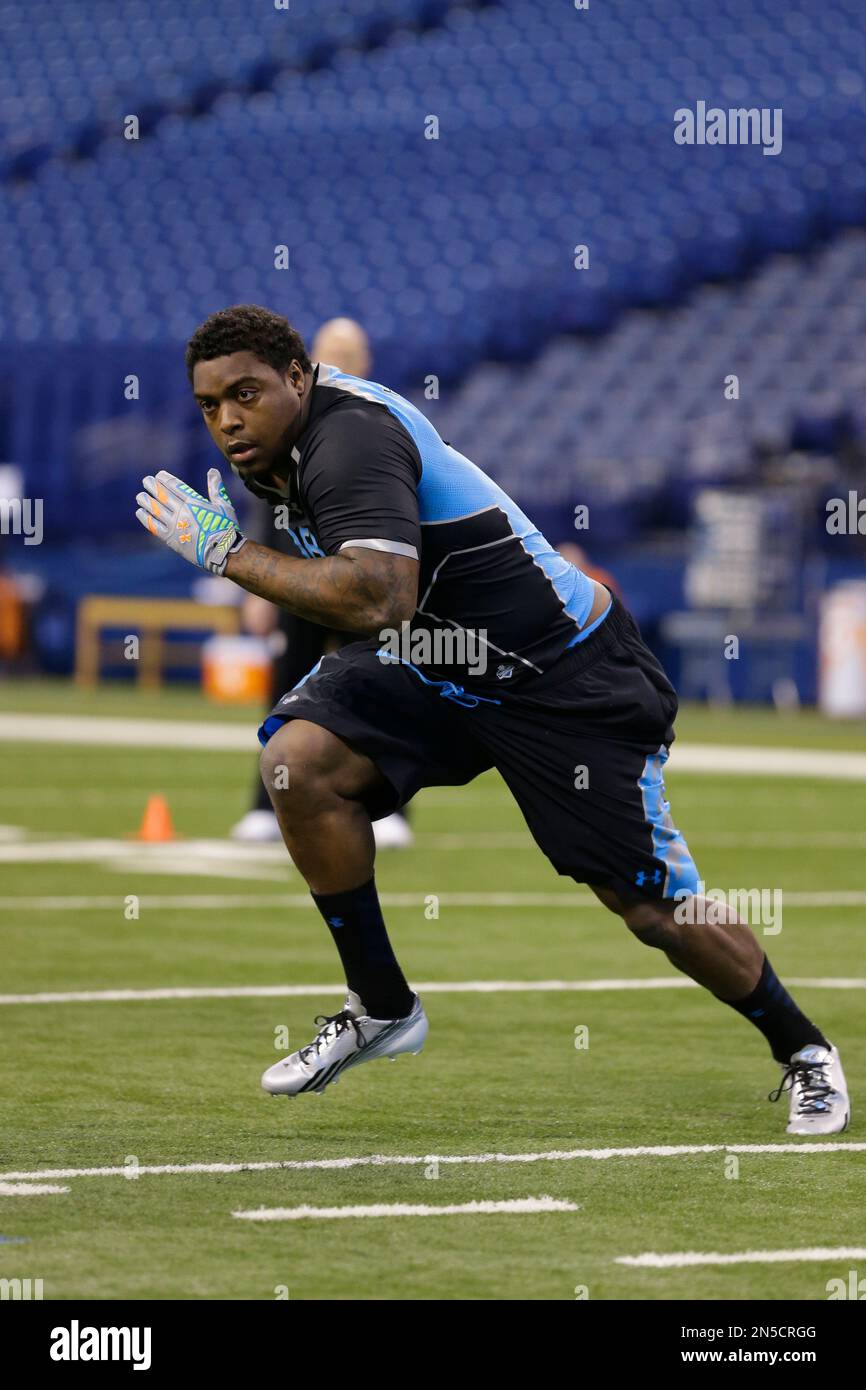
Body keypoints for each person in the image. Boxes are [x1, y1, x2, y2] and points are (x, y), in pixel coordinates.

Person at [135, 303, 849, 1135]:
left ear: (299, 378)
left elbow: (376, 594)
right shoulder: (279, 449)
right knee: (299, 762)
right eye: (209, 405)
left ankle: (804, 1050)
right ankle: (381, 1005)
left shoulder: (349, 441)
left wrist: (230, 557)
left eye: (245, 394)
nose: (227, 419)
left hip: (562, 677)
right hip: (439, 662)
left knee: (651, 906)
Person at [230, 317, 412, 849]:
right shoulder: (288, 421)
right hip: (302, 579)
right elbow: (267, 502)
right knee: (287, 687)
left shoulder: (379, 419)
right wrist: (258, 587)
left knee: (384, 688)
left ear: (368, 360)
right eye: (331, 351)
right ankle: (267, 803)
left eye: (350, 351)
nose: (340, 360)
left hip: (368, 579)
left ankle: (389, 807)